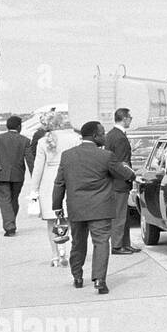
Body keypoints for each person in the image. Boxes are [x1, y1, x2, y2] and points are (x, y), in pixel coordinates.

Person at [52, 121, 135, 293]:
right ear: (95, 136)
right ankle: (100, 281)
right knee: (102, 243)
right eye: (102, 133)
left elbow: (59, 183)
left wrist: (57, 206)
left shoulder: (67, 156)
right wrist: (130, 171)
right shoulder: (106, 156)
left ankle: (77, 277)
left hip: (76, 208)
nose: (105, 136)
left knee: (78, 243)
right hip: (101, 209)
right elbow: (125, 174)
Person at [28, 112, 76, 266]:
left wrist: (34, 189)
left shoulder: (43, 142)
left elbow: (37, 168)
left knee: (51, 221)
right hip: (69, 179)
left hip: (48, 183)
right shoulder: (73, 138)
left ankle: (56, 255)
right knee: (70, 220)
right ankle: (70, 251)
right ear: (62, 122)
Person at [103, 108, 137, 254]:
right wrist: (131, 176)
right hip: (120, 182)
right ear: (124, 119)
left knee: (123, 215)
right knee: (120, 216)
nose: (131, 119)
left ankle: (125, 243)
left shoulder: (110, 135)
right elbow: (123, 163)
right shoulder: (120, 138)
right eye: (130, 117)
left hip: (113, 181)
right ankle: (117, 245)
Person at [0, 115, 33, 235]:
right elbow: (30, 160)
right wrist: (35, 177)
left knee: (5, 200)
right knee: (14, 199)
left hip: (1, 174)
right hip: (18, 175)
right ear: (19, 126)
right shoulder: (25, 140)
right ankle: (11, 224)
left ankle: (10, 227)